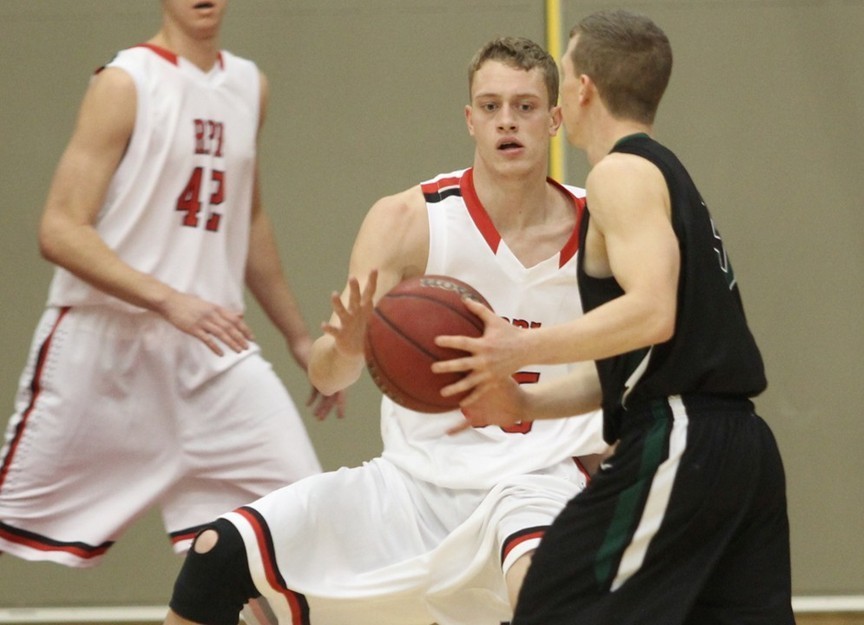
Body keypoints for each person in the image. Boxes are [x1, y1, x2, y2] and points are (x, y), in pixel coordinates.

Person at [161, 36, 607, 625]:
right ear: (469, 119)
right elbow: (328, 372)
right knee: (216, 555)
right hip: (413, 483)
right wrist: (346, 347)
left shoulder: (600, 227)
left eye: (525, 107)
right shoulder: (406, 221)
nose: (507, 122)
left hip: (540, 484)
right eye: (492, 106)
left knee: (540, 588)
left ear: (554, 120)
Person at [434, 9, 796, 625]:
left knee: (553, 602)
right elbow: (631, 366)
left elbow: (652, 313)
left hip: (683, 436)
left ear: (580, 89)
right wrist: (525, 406)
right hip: (739, 447)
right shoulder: (662, 172)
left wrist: (519, 350)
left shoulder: (619, 175)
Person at [0, 0, 339, 569]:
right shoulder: (126, 81)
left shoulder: (249, 85)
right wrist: (168, 299)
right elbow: (59, 229)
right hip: (106, 348)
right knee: (12, 519)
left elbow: (248, 217)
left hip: (213, 352)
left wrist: (299, 338)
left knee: (303, 527)